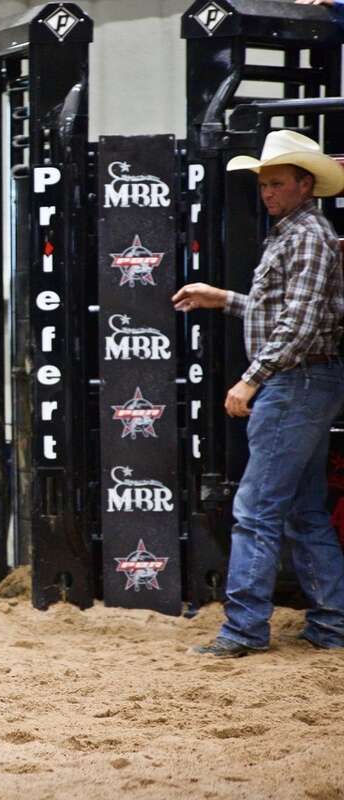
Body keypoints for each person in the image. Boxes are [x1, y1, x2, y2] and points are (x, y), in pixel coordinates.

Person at [173, 129, 344, 656]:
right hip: (308, 378)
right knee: (302, 507)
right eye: (264, 184)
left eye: (277, 184)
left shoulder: (307, 236)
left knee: (257, 509)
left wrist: (253, 377)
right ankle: (332, 623)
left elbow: (298, 322)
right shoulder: (300, 234)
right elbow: (288, 314)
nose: (267, 193)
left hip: (296, 381)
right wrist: (221, 297)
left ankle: (244, 629)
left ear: (304, 184)